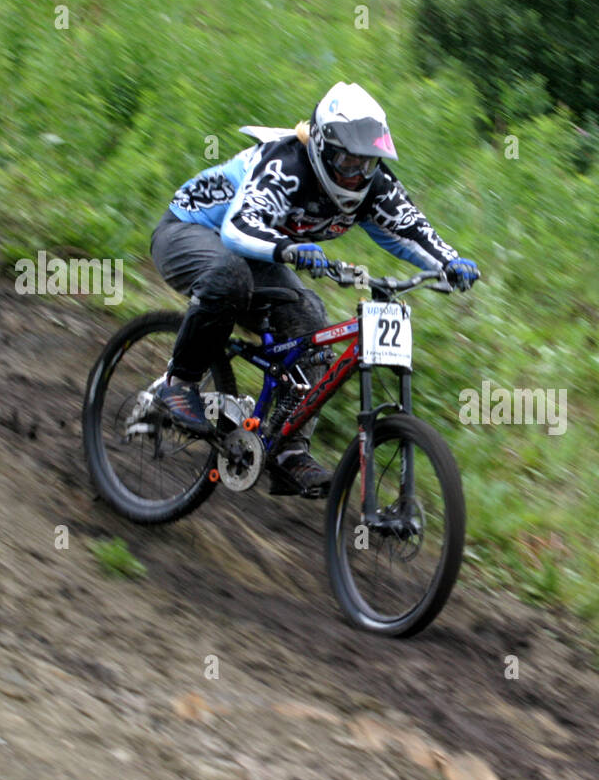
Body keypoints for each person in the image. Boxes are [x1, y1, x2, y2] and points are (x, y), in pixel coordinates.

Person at [149, 81, 479, 497]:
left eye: (368, 163)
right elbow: (236, 228)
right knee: (231, 276)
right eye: (348, 162)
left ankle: (287, 451)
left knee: (310, 322)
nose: (358, 174)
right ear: (321, 147)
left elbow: (411, 230)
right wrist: (289, 248)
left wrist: (449, 262)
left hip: (255, 255)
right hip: (189, 233)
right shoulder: (286, 164)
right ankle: (178, 385)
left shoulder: (372, 184)